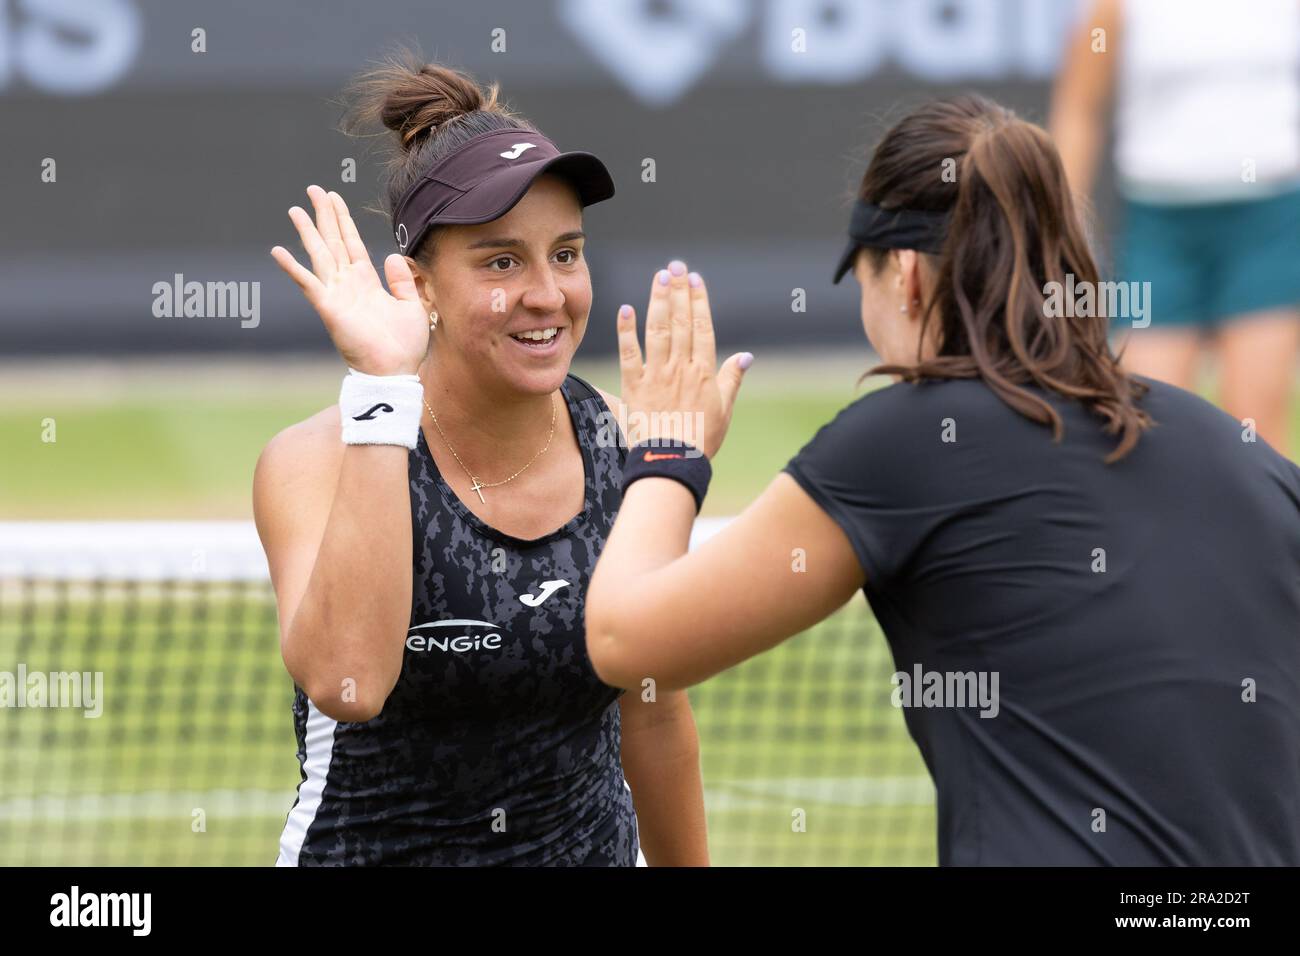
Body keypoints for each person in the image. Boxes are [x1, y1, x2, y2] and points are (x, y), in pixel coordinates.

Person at [585, 94, 1300, 866]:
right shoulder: (1254, 458)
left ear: (905, 276)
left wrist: (667, 451)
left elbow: (628, 641)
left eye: (859, 280)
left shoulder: (901, 441)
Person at [253, 54, 708, 866]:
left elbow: (654, 713)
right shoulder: (314, 458)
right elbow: (349, 685)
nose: (547, 294)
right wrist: (383, 392)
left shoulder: (623, 445)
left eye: (565, 254)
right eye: (502, 261)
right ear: (420, 285)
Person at [1050, 0, 1300, 453]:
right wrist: (1058, 226)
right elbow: (1079, 108)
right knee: (1144, 421)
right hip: (1158, 227)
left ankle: (1262, 525)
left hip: (1269, 222)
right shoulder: (1115, 7)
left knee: (1255, 424)